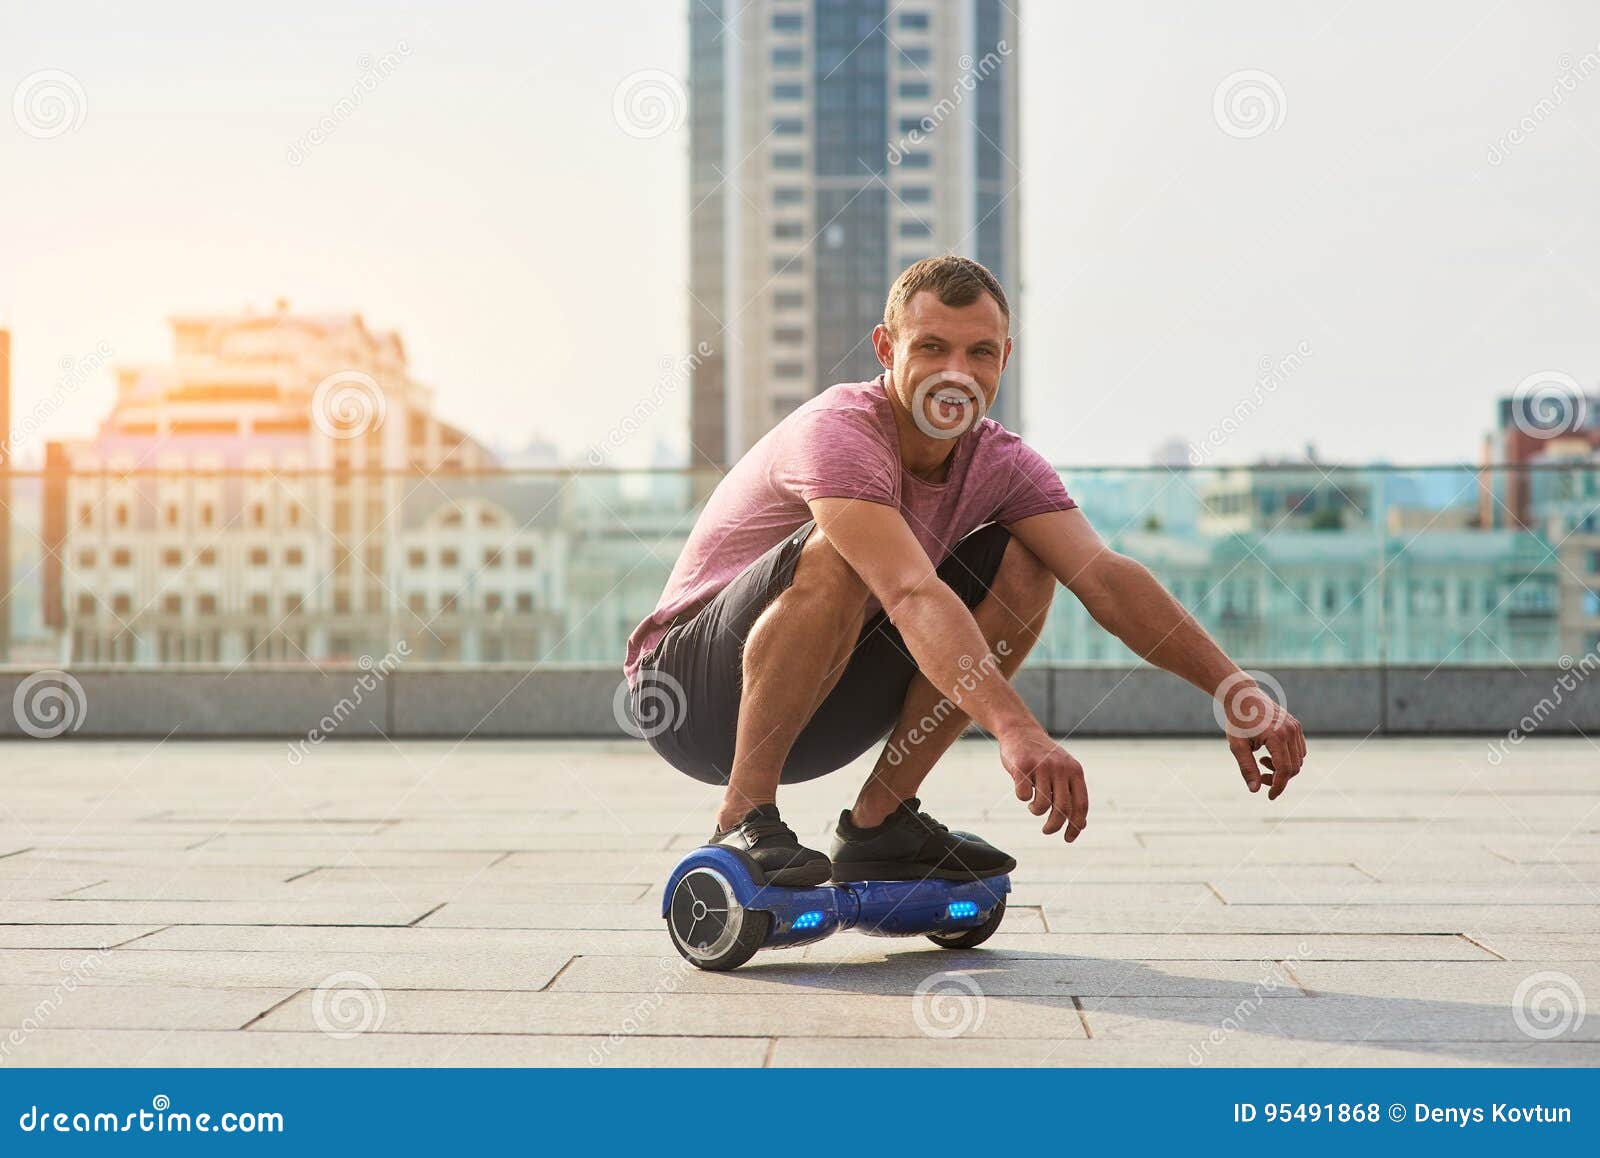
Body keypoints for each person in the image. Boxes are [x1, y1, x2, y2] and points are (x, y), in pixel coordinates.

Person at [624, 255, 1306, 887]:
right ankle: (742, 818)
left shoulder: (1003, 462)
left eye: (979, 352)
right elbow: (910, 590)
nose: (957, 372)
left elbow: (1103, 576)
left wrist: (1232, 687)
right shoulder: (841, 430)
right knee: (843, 554)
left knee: (1031, 556)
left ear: (1004, 358)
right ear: (887, 349)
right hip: (693, 694)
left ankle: (879, 825)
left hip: (822, 698)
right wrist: (1018, 730)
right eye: (931, 348)